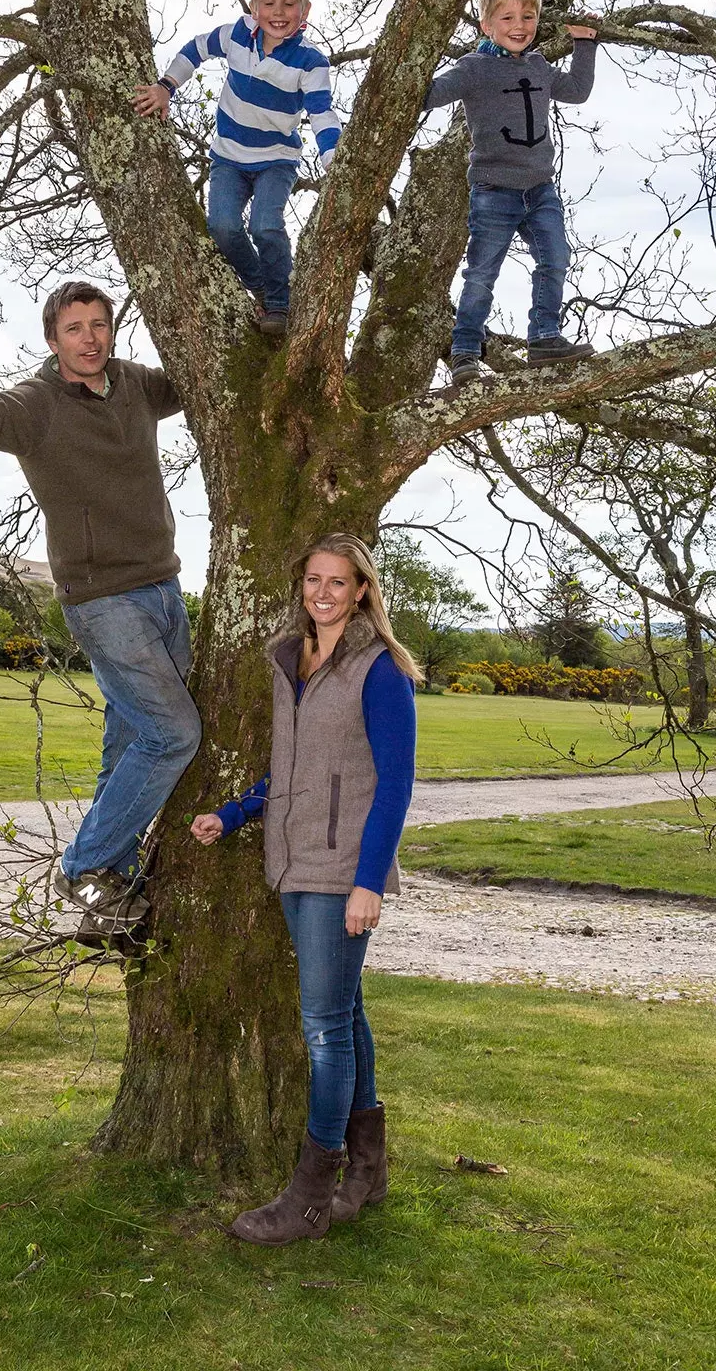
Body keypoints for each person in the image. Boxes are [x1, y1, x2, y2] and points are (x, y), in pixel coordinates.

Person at [0, 281, 201, 943]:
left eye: (99, 325)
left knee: (129, 738)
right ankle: (85, 863)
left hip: (163, 586)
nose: (90, 338)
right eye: (74, 329)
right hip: (101, 599)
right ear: (52, 340)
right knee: (175, 733)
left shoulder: (134, 384)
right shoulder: (37, 405)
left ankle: (107, 899)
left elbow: (197, 380)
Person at [191, 533, 418, 1245]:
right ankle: (369, 1171)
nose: (323, 592)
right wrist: (234, 814)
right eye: (313, 580)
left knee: (322, 1028)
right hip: (290, 865)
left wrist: (367, 884)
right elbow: (291, 772)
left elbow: (393, 788)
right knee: (344, 1016)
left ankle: (309, 1197)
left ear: (362, 591)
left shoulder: (379, 671)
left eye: (338, 582)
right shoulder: (291, 660)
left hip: (340, 873)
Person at [132, 0, 343, 338]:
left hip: (276, 159)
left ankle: (280, 300)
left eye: (289, 4)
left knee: (265, 225)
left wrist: (333, 159)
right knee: (223, 227)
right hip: (228, 155)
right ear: (253, 8)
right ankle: (259, 283)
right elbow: (195, 49)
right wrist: (166, 86)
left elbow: (322, 112)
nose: (278, 12)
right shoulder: (236, 36)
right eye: (269, 3)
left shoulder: (311, 61)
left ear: (305, 11)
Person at [424, 0, 599, 383]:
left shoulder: (538, 67)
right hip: (494, 189)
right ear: (486, 25)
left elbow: (576, 90)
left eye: (528, 16)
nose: (519, 26)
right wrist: (413, 58)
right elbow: (429, 94)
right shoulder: (473, 69)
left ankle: (544, 337)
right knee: (482, 272)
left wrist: (585, 43)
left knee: (555, 258)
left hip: (540, 188)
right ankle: (465, 351)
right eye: (506, 18)